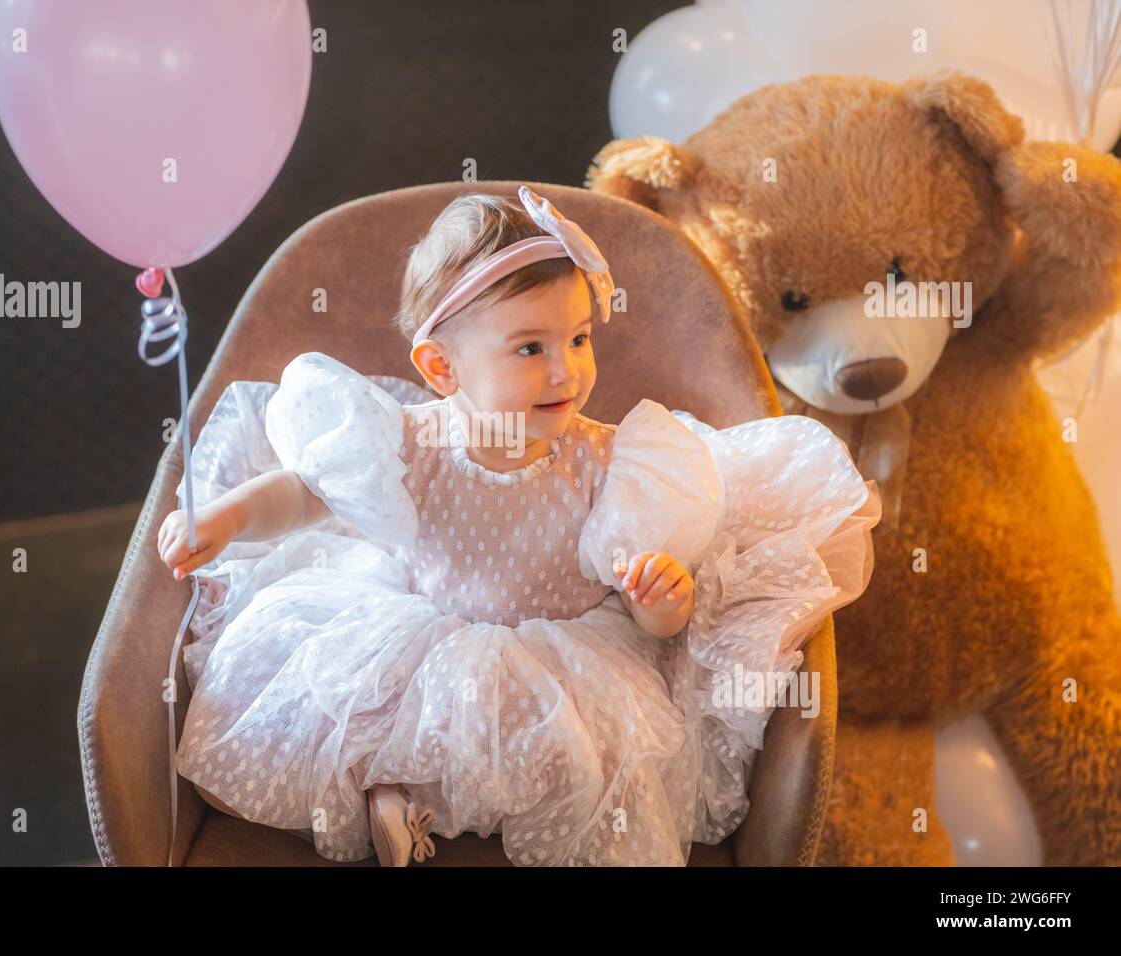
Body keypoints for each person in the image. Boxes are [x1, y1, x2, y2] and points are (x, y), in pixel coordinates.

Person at [156, 185, 881, 866]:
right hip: (421, 625)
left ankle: (419, 799)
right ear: (443, 367)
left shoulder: (610, 463)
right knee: (352, 704)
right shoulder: (414, 441)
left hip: (566, 651)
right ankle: (393, 792)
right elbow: (309, 493)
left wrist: (665, 599)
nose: (565, 371)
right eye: (531, 348)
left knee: (569, 751)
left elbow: (653, 612)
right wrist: (226, 518)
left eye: (578, 339)